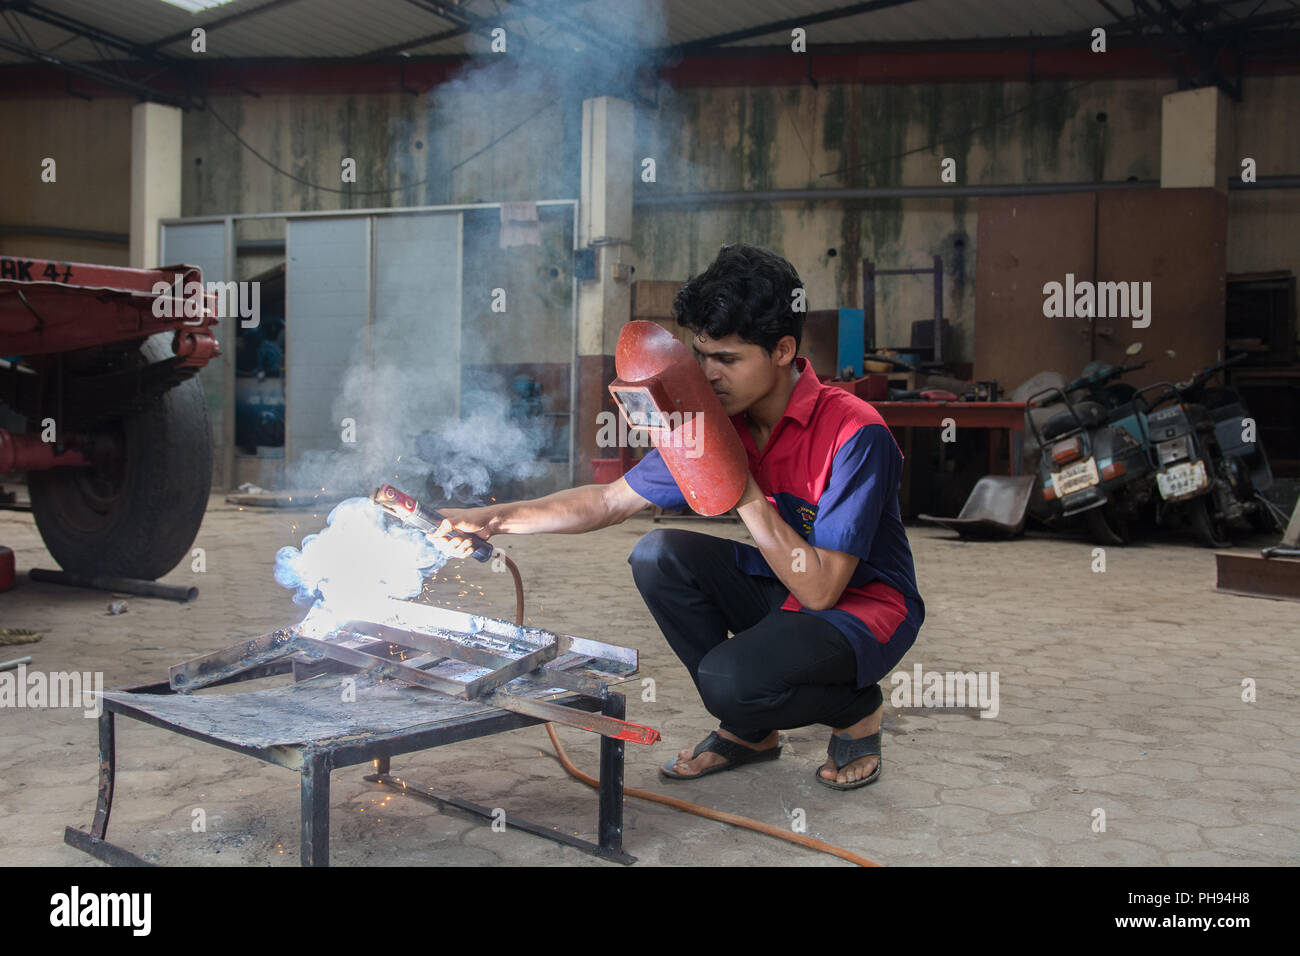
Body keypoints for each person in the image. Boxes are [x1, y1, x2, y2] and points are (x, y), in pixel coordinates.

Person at [434, 243, 923, 791]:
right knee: (659, 554)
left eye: (729, 360)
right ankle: (750, 733)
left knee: (727, 680)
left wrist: (741, 490)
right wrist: (493, 518)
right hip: (781, 583)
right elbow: (608, 501)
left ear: (783, 349)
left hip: (862, 605)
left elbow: (821, 592)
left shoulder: (855, 433)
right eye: (702, 356)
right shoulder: (716, 421)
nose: (710, 375)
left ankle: (855, 708)